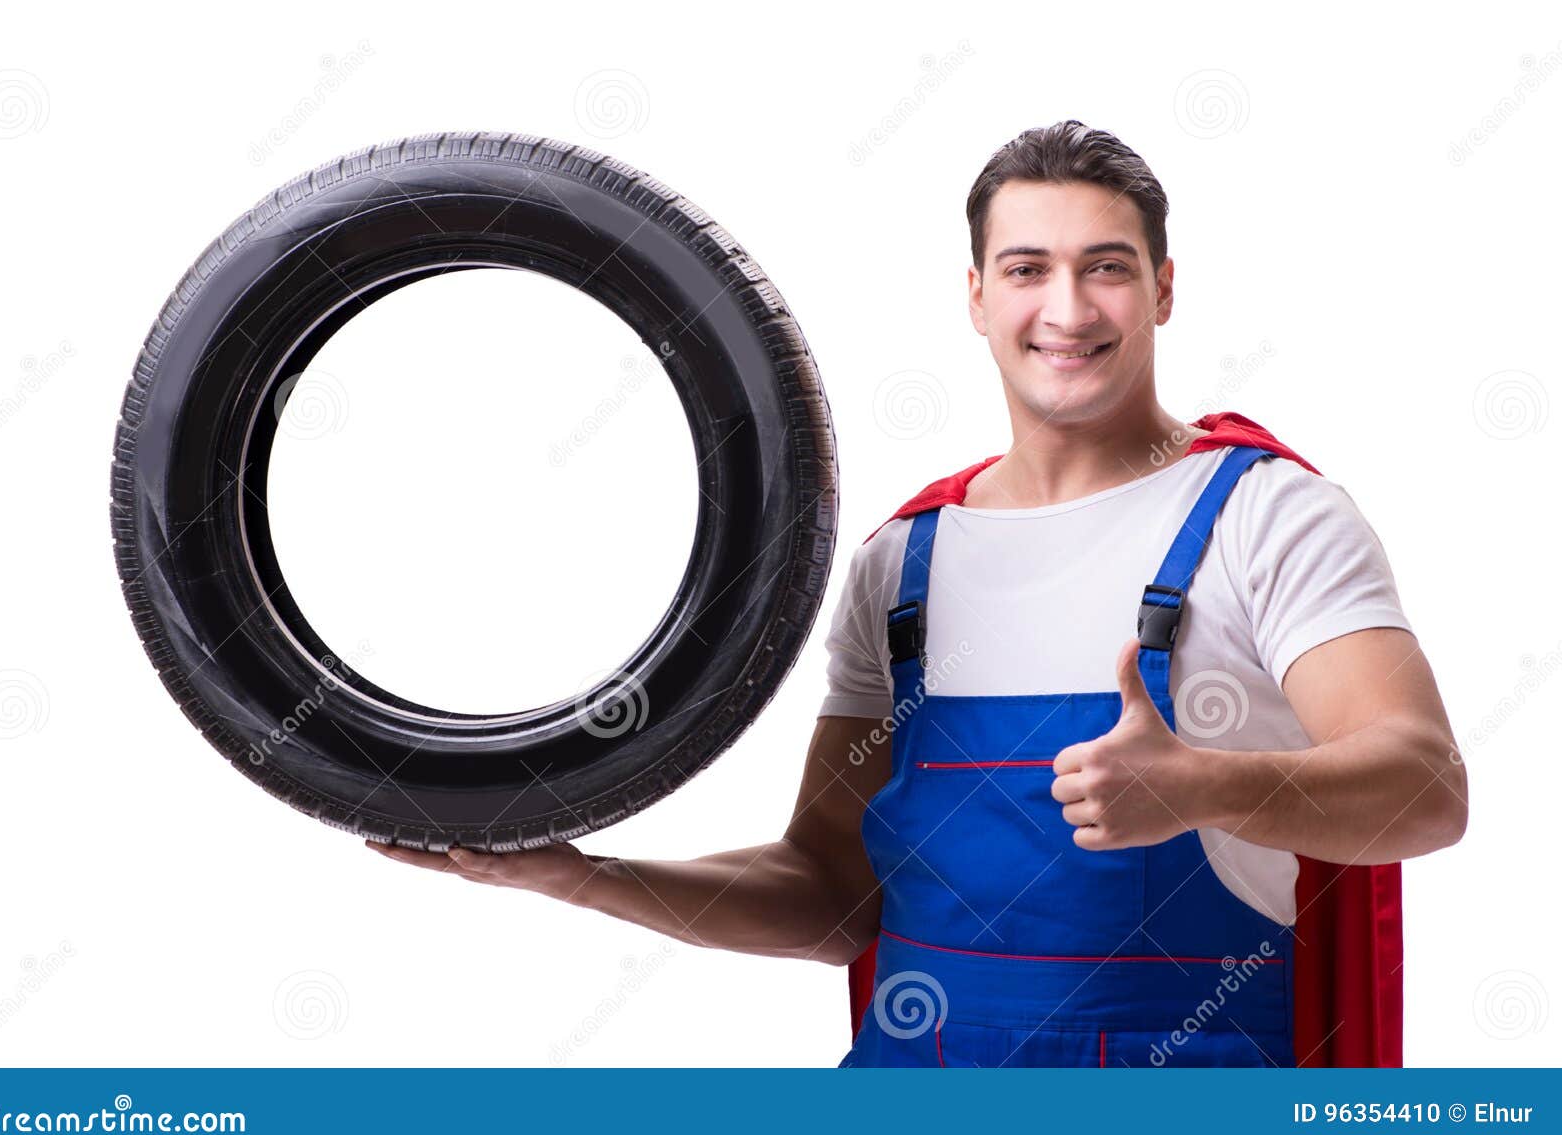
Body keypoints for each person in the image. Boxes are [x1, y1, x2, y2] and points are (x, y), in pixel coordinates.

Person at [366, 120, 1466, 1067]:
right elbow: (830, 895)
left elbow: (1426, 790)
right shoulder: (902, 565)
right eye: (1027, 269)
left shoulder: (1268, 518)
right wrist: (583, 878)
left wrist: (1204, 787)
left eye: (1107, 267)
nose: (1067, 308)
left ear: (1163, 289)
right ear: (977, 296)